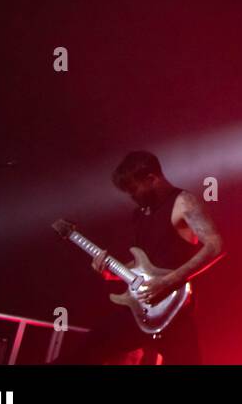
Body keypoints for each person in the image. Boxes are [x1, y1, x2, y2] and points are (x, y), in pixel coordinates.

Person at [55, 151, 224, 364]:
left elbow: (215, 245)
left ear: (151, 178)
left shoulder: (184, 202)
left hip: (173, 311)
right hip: (140, 310)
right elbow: (142, 266)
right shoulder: (140, 214)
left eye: (134, 189)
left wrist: (169, 281)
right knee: (84, 352)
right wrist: (111, 273)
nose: (132, 196)